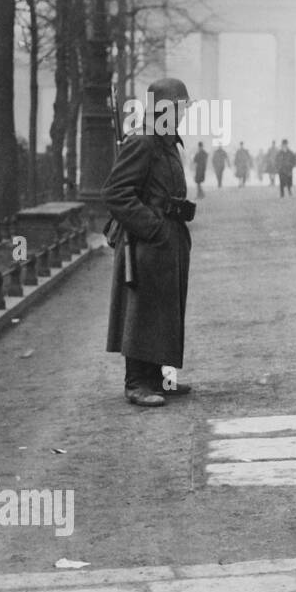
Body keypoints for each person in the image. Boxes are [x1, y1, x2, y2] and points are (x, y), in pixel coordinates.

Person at [103, 78, 197, 407]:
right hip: (146, 243)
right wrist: (153, 228)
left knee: (162, 312)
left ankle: (157, 379)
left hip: (168, 239)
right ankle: (136, 383)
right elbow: (115, 192)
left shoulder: (166, 142)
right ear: (165, 109)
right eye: (181, 107)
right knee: (141, 311)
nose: (185, 113)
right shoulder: (143, 142)